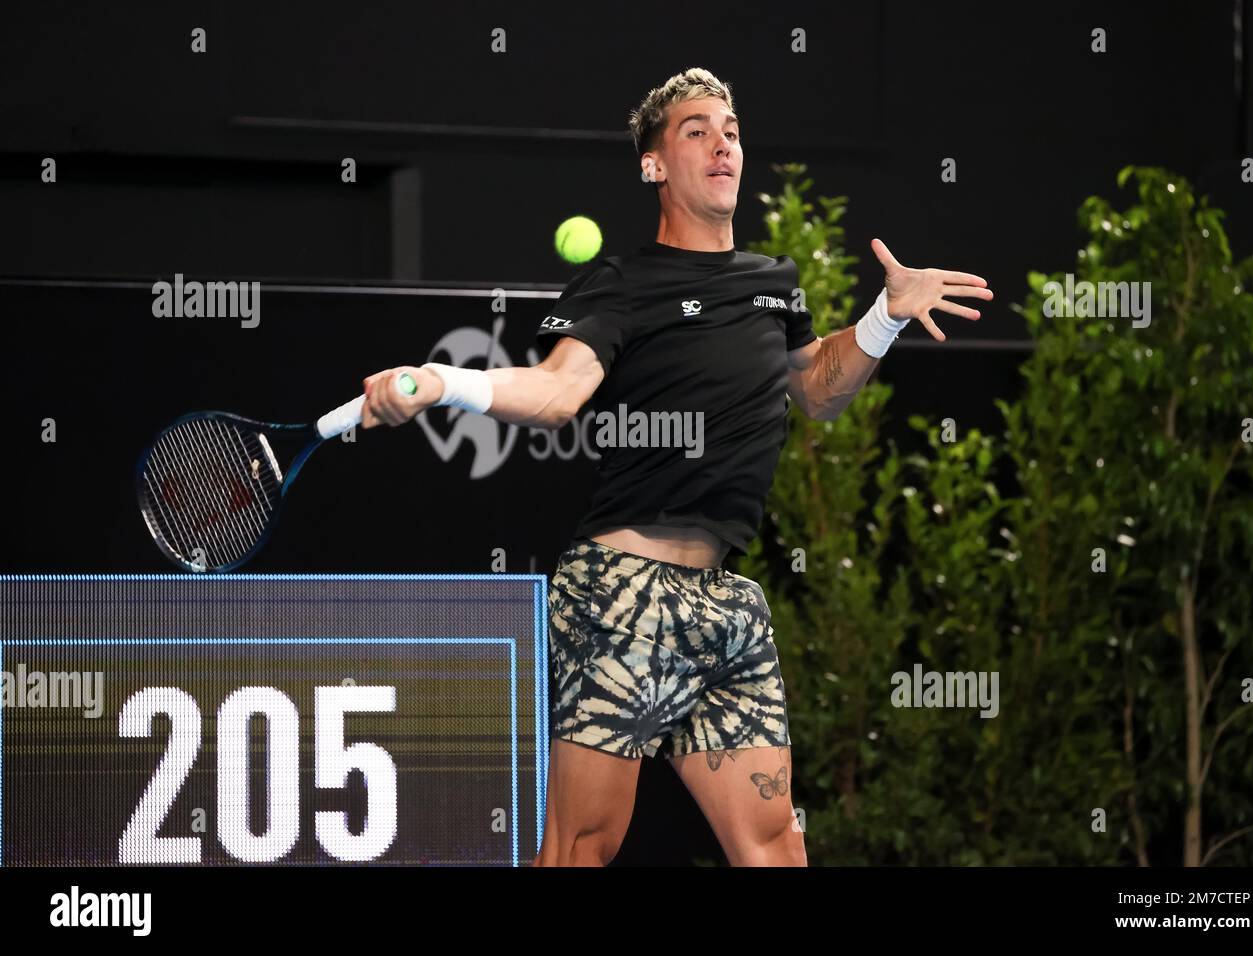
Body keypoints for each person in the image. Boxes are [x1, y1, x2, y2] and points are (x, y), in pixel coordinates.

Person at [360, 67, 993, 866]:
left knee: (774, 848)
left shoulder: (772, 284)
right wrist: (440, 380)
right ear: (655, 165)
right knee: (583, 848)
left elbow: (818, 392)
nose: (721, 143)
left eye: (730, 130)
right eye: (696, 131)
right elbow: (557, 390)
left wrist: (881, 318)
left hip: (726, 604)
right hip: (623, 593)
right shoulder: (622, 285)